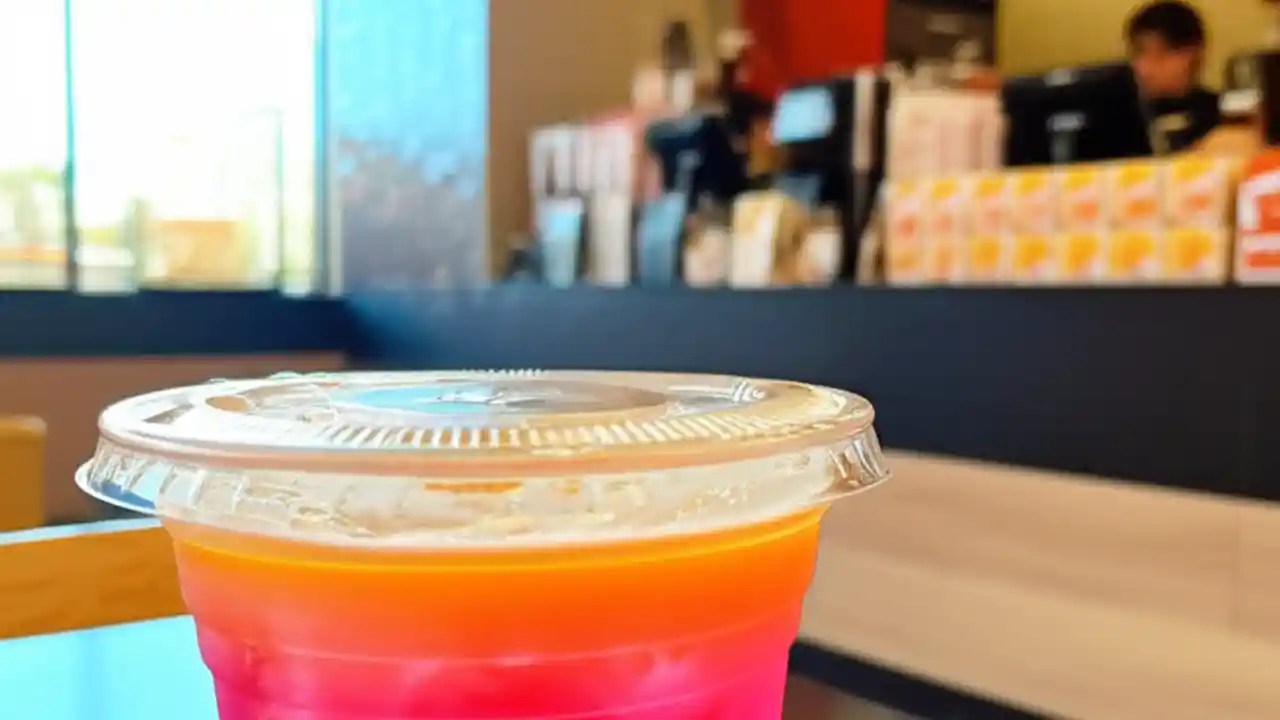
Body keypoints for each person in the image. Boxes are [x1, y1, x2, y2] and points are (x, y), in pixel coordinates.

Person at [1126, 1, 1221, 151]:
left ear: (1194, 55)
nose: (1143, 68)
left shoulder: (1223, 116)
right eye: (1138, 53)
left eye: (1161, 55)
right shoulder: (1121, 121)